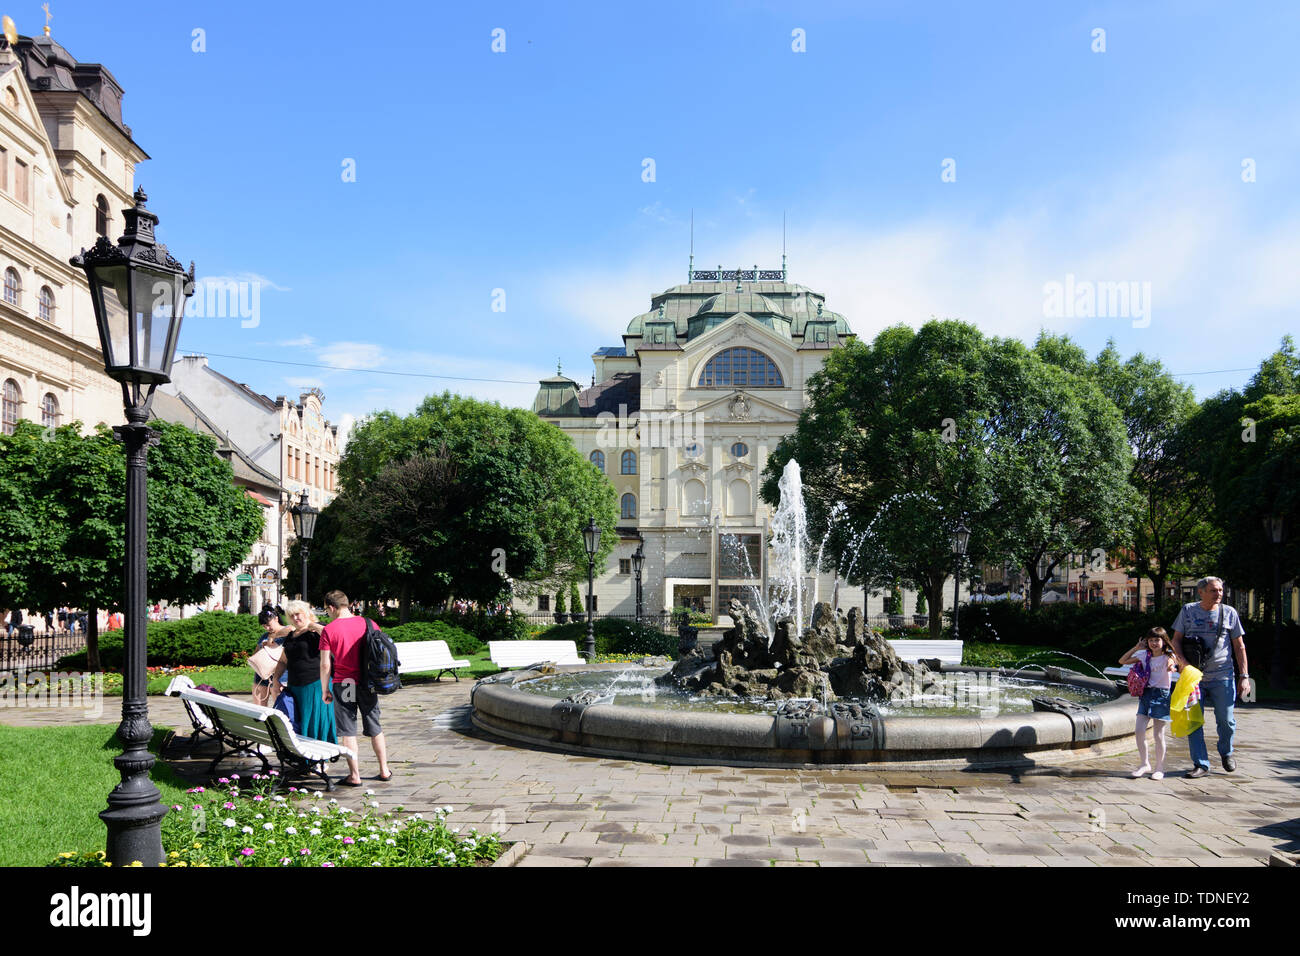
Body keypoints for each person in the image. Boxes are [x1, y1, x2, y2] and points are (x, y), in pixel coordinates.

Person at [1172, 576, 1250, 777]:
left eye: (1221, 590)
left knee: (1226, 720)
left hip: (1223, 676)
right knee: (1194, 721)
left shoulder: (1229, 613)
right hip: (1193, 677)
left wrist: (1244, 676)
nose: (1219, 594)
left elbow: (1239, 646)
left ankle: (1226, 751)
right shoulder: (1188, 611)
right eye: (1214, 590)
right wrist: (1184, 664)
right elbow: (1176, 641)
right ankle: (1201, 764)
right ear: (1201, 592)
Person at [319, 589, 391, 786]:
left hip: (345, 684)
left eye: (327, 609)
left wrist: (325, 689)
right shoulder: (369, 623)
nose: (328, 613)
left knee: (348, 730)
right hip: (368, 683)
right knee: (374, 725)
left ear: (332, 607)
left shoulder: (329, 630)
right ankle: (384, 770)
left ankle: (355, 775)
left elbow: (325, 665)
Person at [268, 600, 336, 743]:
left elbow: (332, 636)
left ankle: (320, 757)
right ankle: (304, 756)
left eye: (298, 614)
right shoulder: (291, 635)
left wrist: (312, 625)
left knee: (315, 721)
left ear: (307, 613)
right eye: (291, 616)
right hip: (295, 686)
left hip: (316, 684)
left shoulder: (317, 629)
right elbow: (283, 661)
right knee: (299, 721)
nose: (295, 618)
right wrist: (275, 679)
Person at [1119, 627, 1177, 780]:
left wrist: (1172, 667)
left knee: (1158, 734)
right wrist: (1136, 648)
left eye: (1157, 640)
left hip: (1161, 695)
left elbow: (1172, 664)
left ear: (1164, 641)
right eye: (1151, 640)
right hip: (1146, 694)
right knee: (1139, 731)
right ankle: (1144, 764)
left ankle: (1159, 767)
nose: (1153, 643)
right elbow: (1122, 661)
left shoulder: (1168, 656)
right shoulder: (1144, 655)